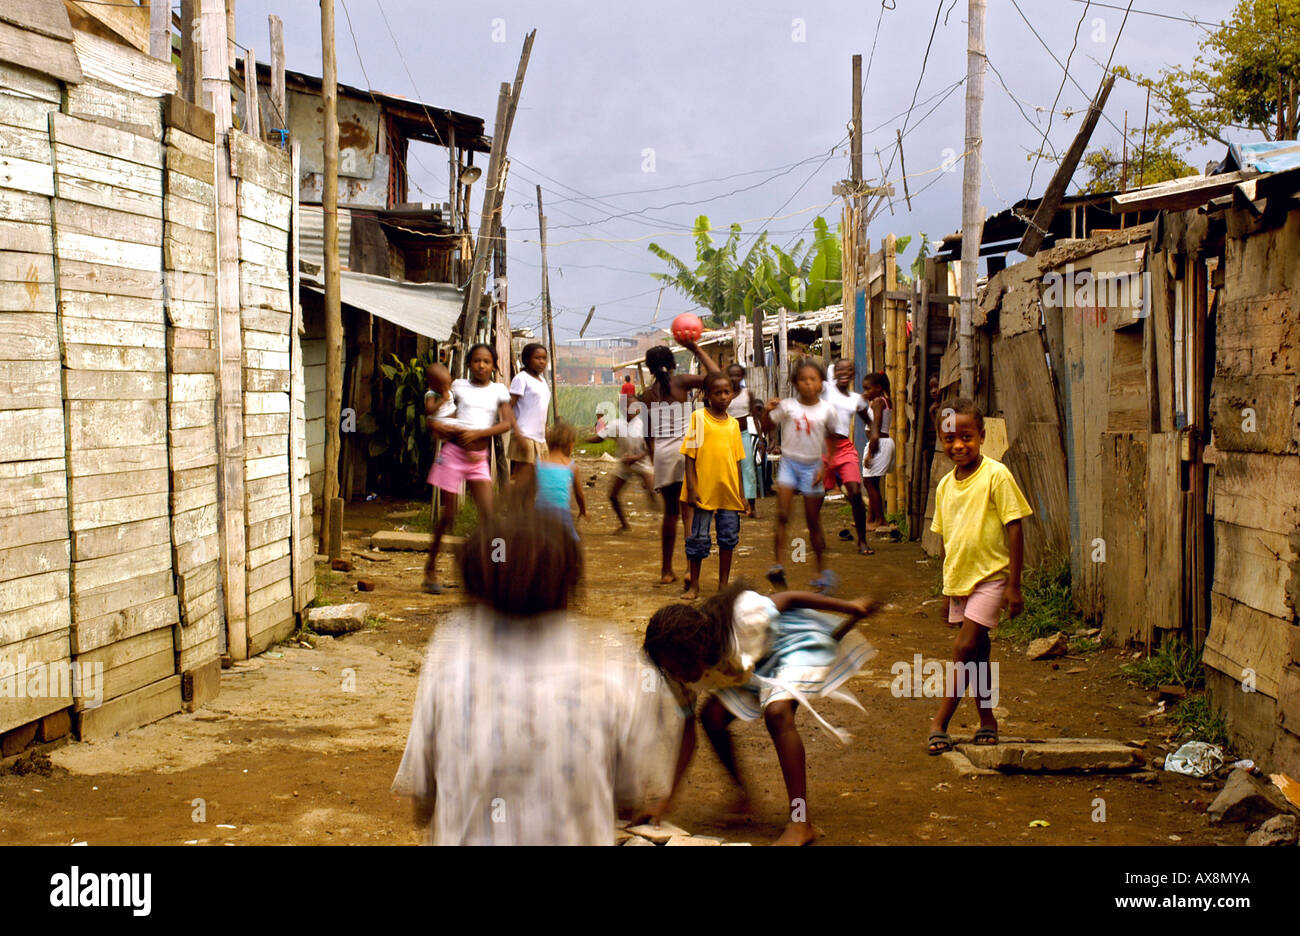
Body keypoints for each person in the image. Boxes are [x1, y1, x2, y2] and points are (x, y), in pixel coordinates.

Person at [393, 513, 680, 845]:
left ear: (474, 588)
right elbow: (631, 795)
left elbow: (424, 799)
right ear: (568, 585)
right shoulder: (612, 667)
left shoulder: (450, 661)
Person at [643, 583, 878, 846]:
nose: (680, 675)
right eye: (672, 671)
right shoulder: (676, 672)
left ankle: (800, 821)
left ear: (699, 648)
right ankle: (743, 797)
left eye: (683, 667)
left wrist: (850, 607)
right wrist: (665, 800)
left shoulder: (742, 618)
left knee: (778, 714)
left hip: (790, 646)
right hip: (747, 671)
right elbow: (688, 733)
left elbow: (789, 598)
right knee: (712, 718)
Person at [926, 398, 1032, 756]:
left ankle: (939, 723)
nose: (958, 445)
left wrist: (1014, 586)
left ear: (982, 437)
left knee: (963, 648)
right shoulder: (943, 487)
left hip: (991, 577)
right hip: (960, 582)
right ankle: (987, 720)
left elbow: (1015, 527)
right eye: (950, 439)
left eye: (967, 437)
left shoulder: (996, 475)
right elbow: (945, 542)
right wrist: (946, 590)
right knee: (978, 656)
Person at [423, 344, 514, 594]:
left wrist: (478, 432)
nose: (481, 365)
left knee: (490, 518)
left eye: (486, 361)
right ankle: (430, 570)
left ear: (494, 366)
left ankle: (498, 570)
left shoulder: (499, 391)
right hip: (452, 455)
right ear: (468, 364)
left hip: (477, 459)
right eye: (476, 361)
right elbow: (440, 413)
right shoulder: (458, 387)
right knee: (448, 516)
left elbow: (507, 423)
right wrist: (440, 426)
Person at [639, 338, 721, 585]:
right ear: (673, 363)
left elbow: (648, 435)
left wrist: (654, 464)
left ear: (650, 369)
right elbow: (718, 378)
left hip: (663, 455)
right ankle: (689, 568)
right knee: (690, 513)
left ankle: (666, 571)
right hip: (686, 452)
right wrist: (695, 349)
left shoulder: (647, 395)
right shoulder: (682, 382)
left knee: (670, 514)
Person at [760, 359, 837, 591]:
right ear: (795, 383)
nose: (808, 384)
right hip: (789, 464)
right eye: (803, 380)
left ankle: (819, 570)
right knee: (783, 514)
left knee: (813, 521)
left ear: (821, 384)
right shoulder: (788, 407)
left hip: (813, 466)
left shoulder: (827, 410)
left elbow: (832, 440)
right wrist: (766, 410)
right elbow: (766, 428)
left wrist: (825, 466)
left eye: (813, 379)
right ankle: (778, 564)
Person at [680, 372, 747, 600]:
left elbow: (737, 462)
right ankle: (694, 586)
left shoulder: (734, 425)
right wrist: (691, 487)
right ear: (707, 395)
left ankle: (723, 585)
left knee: (728, 538)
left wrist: (743, 494)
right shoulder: (699, 418)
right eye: (717, 393)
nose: (723, 397)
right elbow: (689, 456)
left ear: (733, 395)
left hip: (728, 492)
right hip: (703, 491)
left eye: (727, 392)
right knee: (698, 539)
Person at [821, 360, 873, 555]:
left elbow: (869, 421)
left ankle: (862, 541)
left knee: (855, 493)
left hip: (843, 448)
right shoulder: (825, 390)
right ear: (834, 373)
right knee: (817, 497)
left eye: (848, 370)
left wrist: (874, 438)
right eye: (840, 369)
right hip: (822, 448)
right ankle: (816, 537)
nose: (844, 373)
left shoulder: (856, 399)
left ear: (853, 374)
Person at [588, 398, 653, 532]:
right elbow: (599, 438)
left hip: (642, 464)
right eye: (627, 407)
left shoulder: (643, 425)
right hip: (625, 464)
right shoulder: (616, 424)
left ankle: (666, 516)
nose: (630, 409)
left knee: (654, 493)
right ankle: (624, 525)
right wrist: (583, 440)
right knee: (613, 496)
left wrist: (636, 457)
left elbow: (650, 449)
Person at [508, 343, 552, 502]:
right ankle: (512, 515)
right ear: (526, 359)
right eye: (537, 358)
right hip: (525, 435)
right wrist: (517, 433)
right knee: (522, 480)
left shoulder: (542, 381)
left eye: (544, 358)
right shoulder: (521, 379)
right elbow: (508, 407)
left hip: (539, 439)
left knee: (535, 483)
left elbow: (541, 409)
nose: (542, 361)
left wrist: (546, 431)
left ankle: (527, 518)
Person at [535, 421, 586, 541]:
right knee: (574, 543)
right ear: (570, 445)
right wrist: (583, 510)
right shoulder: (570, 465)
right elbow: (579, 494)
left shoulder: (539, 463)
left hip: (539, 511)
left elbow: (531, 490)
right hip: (561, 512)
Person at [725, 363, 762, 518]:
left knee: (749, 470)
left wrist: (760, 439)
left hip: (744, 434)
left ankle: (752, 508)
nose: (734, 378)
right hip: (725, 437)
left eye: (738, 375)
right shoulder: (722, 393)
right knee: (726, 472)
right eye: (731, 375)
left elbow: (755, 416)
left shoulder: (748, 394)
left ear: (742, 376)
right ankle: (726, 507)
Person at [861, 371, 895, 530]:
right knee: (873, 482)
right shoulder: (884, 401)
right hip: (883, 442)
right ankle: (870, 519)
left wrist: (870, 453)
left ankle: (880, 519)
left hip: (878, 444)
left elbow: (875, 429)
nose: (865, 392)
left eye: (868, 389)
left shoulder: (877, 403)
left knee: (869, 482)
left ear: (878, 387)